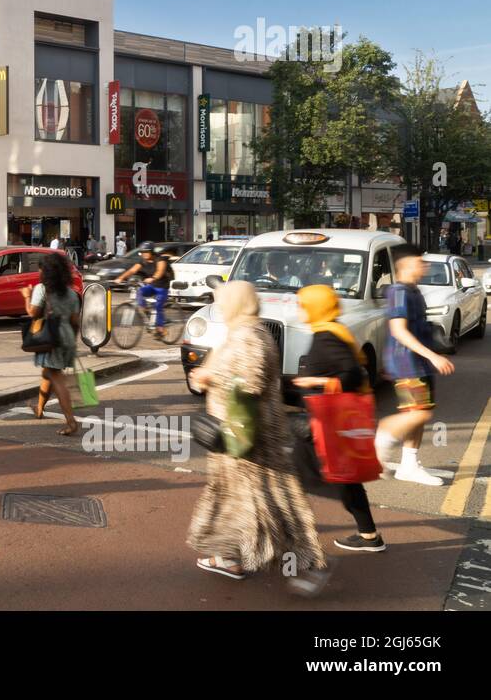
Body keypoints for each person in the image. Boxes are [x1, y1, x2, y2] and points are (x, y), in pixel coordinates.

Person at [186, 281, 330, 594]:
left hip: (253, 443)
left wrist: (212, 376)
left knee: (275, 509)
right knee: (231, 502)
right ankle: (228, 558)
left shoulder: (248, 336)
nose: (220, 307)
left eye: (223, 301)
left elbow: (251, 382)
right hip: (234, 442)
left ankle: (305, 569)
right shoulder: (244, 331)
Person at [291, 284, 386, 553]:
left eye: (302, 304)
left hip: (325, 422)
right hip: (327, 422)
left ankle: (293, 536)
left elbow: (353, 375)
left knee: (296, 476)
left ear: (315, 306)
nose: (299, 309)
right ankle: (369, 536)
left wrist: (316, 380)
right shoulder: (331, 330)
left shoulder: (327, 336)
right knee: (345, 476)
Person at [375, 245, 454, 486]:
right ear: (406, 264)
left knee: (418, 414)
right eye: (421, 261)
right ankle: (382, 435)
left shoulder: (413, 290)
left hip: (417, 362)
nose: (425, 265)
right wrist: (432, 356)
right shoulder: (399, 292)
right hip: (408, 363)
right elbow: (398, 330)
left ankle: (409, 465)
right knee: (420, 413)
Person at [22, 253, 81, 435]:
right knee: (48, 372)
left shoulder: (42, 289)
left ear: (46, 272)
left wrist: (26, 296)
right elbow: (75, 321)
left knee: (57, 379)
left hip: (51, 337)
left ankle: (71, 422)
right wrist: (72, 341)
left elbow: (33, 313)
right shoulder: (71, 294)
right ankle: (39, 408)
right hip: (67, 337)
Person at [114, 243, 171, 338]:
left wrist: (153, 278)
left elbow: (160, 271)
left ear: (151, 252)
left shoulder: (160, 259)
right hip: (152, 286)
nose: (144, 254)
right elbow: (132, 270)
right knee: (139, 291)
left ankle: (161, 329)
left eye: (146, 252)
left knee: (158, 306)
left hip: (162, 287)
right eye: (142, 252)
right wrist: (121, 278)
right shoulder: (143, 261)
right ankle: (146, 311)